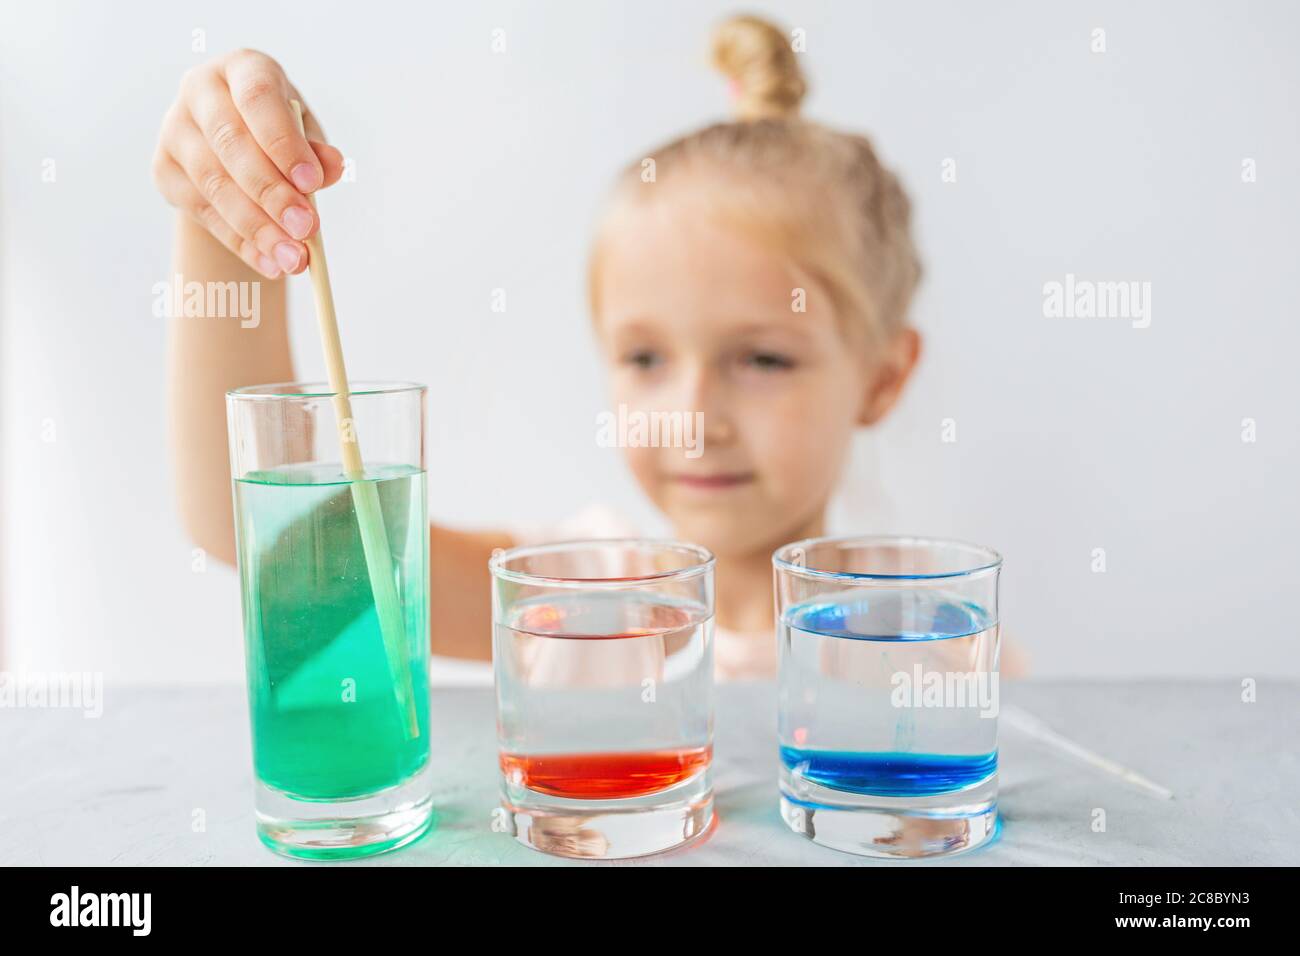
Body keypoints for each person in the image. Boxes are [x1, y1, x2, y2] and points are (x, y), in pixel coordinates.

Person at [156, 14, 1027, 684]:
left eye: (763, 359)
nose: (692, 422)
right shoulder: (567, 598)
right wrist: (230, 225)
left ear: (882, 377)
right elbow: (291, 559)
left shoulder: (939, 644)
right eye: (646, 359)